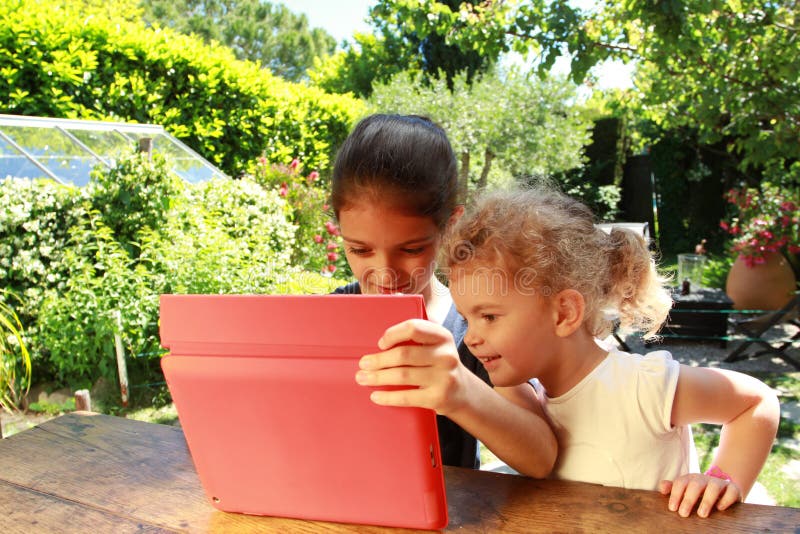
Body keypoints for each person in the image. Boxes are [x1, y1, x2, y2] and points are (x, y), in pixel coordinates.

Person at [438, 185, 780, 518]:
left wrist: (721, 480)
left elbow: (755, 403)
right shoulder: (534, 403)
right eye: (467, 319)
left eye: (489, 317)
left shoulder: (641, 388)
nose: (470, 339)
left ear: (564, 313)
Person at [330, 113, 557, 477]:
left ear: (450, 226)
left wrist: (461, 390)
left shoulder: (474, 328)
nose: (385, 273)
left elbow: (541, 456)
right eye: (360, 250)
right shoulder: (325, 319)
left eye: (410, 249)